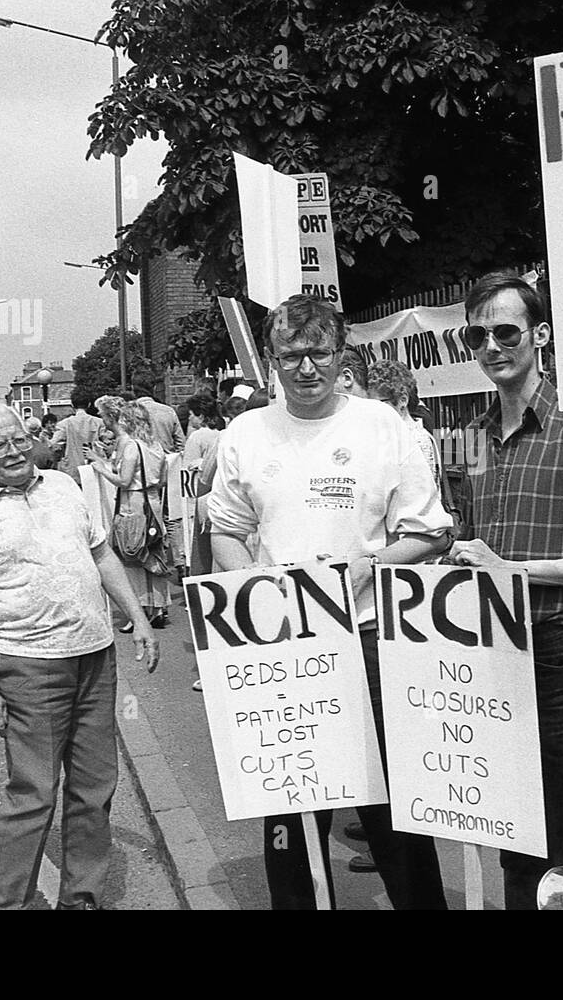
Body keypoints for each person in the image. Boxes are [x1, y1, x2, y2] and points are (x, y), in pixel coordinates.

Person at [206, 293, 451, 910]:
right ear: (270, 360)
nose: (306, 368)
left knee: (393, 803)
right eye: (291, 355)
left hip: (370, 641)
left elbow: (429, 532)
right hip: (283, 645)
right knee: (292, 812)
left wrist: (368, 570)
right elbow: (225, 532)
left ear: (341, 355)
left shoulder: (380, 427)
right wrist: (263, 598)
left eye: (318, 353)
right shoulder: (245, 433)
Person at [448, 271, 563, 910]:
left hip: (559, 649)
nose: (492, 346)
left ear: (540, 335)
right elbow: (468, 542)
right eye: (478, 335)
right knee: (508, 820)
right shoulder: (469, 437)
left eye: (506, 331)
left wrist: (518, 571)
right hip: (487, 651)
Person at [0, 404, 160, 910]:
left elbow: (101, 554)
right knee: (32, 794)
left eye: (19, 439)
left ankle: (81, 897)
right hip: (28, 665)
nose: (15, 451)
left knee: (94, 787)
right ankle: (4, 903)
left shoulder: (63, 487)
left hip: (95, 657)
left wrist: (139, 617)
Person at [88, 396, 172, 630]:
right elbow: (163, 479)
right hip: (153, 500)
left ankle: (140, 613)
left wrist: (101, 468)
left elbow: (124, 480)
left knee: (130, 555)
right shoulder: (155, 445)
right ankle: (157, 607)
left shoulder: (130, 445)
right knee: (153, 552)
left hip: (133, 503)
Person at [367, 359, 440, 486]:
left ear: (402, 400)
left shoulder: (415, 442)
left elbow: (417, 497)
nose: (371, 412)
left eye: (377, 404)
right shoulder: (393, 436)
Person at [51, 389, 103, 482]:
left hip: (72, 471)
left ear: (72, 405)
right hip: (95, 469)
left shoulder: (64, 424)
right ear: (89, 404)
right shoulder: (99, 423)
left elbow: (54, 446)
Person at [131, 371, 185, 454]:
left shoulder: (128, 412)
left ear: (132, 388)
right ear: (155, 388)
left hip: (139, 462)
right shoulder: (168, 411)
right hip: (167, 461)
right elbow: (181, 444)